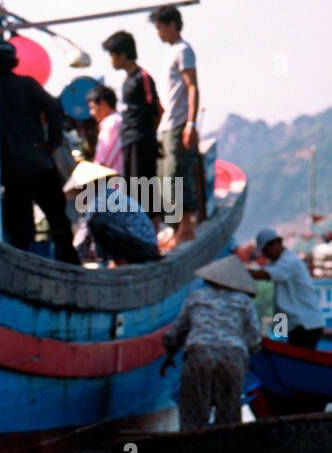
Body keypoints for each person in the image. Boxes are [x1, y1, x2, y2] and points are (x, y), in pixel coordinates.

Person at [0, 40, 79, 264]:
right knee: (58, 222)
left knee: (20, 231)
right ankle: (72, 263)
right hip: (39, 164)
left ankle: (24, 270)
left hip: (12, 170)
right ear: (14, 61)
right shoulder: (27, 84)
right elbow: (52, 106)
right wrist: (52, 142)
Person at [161, 256, 261, 430]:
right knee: (229, 414)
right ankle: (225, 452)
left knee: (194, 413)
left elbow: (174, 334)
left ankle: (192, 451)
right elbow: (255, 341)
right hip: (233, 356)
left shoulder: (196, 297)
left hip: (199, 354)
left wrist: (170, 354)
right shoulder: (244, 301)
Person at [101, 30, 163, 228]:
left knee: (146, 189)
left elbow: (156, 110)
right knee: (132, 191)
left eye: (112, 54)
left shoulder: (142, 77)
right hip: (127, 141)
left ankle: (152, 236)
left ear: (123, 55)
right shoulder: (127, 81)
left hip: (140, 140)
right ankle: (140, 234)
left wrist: (148, 135)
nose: (111, 60)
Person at [151, 5, 199, 223]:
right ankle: (174, 227)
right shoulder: (170, 52)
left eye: (160, 27)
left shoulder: (183, 50)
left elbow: (192, 87)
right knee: (165, 177)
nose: (158, 33)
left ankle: (185, 227)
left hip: (179, 123)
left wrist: (191, 123)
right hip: (167, 124)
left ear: (172, 25)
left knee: (176, 174)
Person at [63, 161, 160, 265]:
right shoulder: (110, 195)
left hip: (143, 249)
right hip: (148, 246)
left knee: (97, 224)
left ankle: (121, 263)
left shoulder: (99, 202)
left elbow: (83, 236)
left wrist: (71, 258)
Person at [248, 228, 325, 349]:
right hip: (294, 324)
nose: (265, 255)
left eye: (265, 250)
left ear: (275, 244)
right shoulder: (279, 262)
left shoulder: (290, 261)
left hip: (305, 324)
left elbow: (265, 274)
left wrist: (240, 272)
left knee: (299, 361)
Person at [86, 83, 123, 171]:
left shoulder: (110, 124)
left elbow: (102, 163)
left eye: (92, 108)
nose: (91, 113)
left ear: (103, 104)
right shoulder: (120, 119)